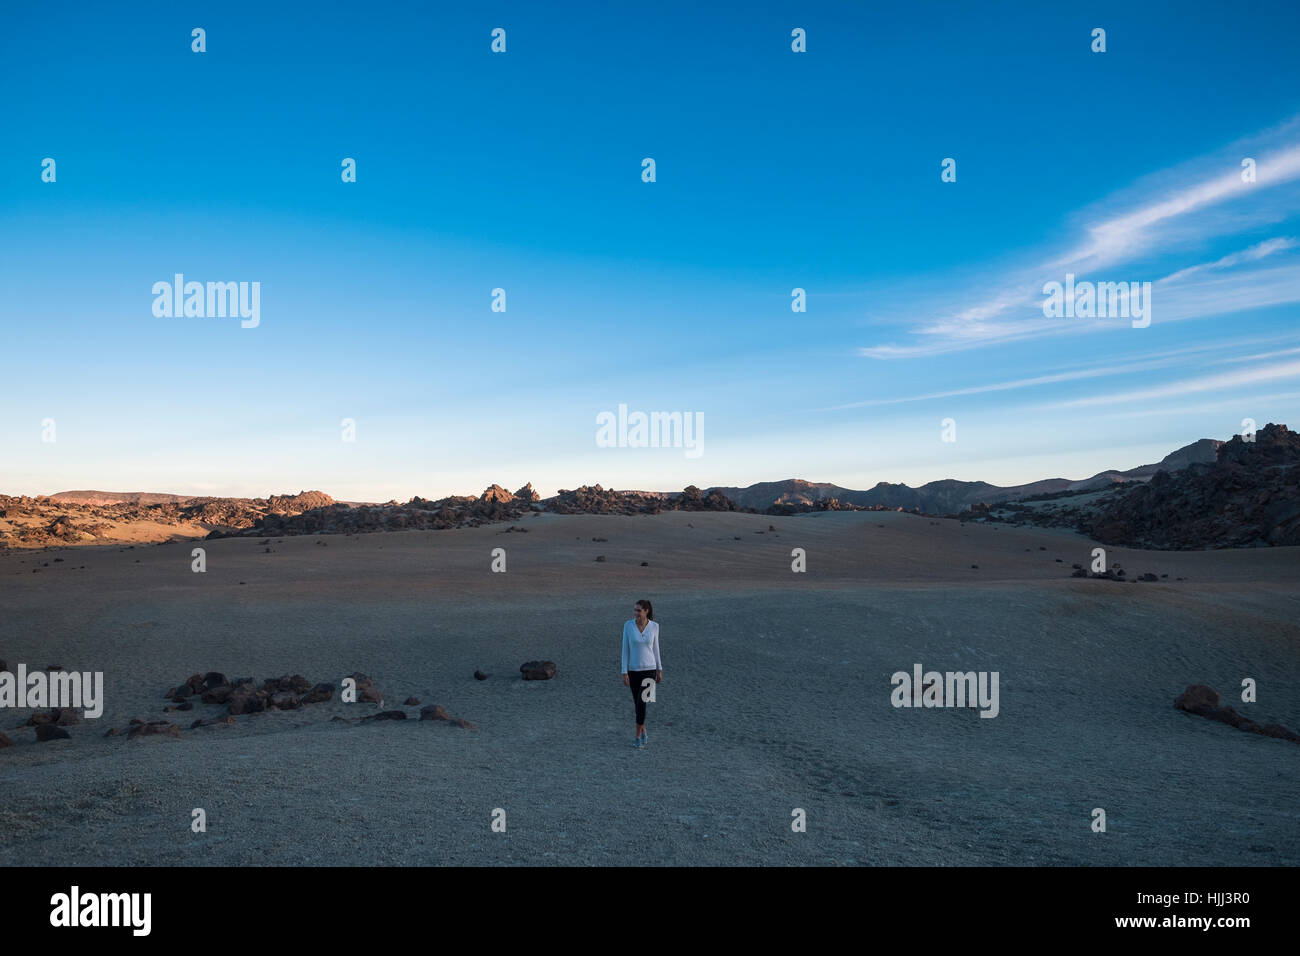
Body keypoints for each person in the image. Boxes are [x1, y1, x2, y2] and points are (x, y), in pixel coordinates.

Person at [620, 599, 662, 749]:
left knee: (642, 703)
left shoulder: (655, 627)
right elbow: (625, 649)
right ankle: (644, 730)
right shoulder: (628, 626)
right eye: (635, 610)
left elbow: (656, 649)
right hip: (633, 671)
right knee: (637, 704)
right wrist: (624, 671)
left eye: (639, 610)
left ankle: (637, 736)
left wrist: (659, 669)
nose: (635, 613)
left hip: (650, 670)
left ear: (646, 611)